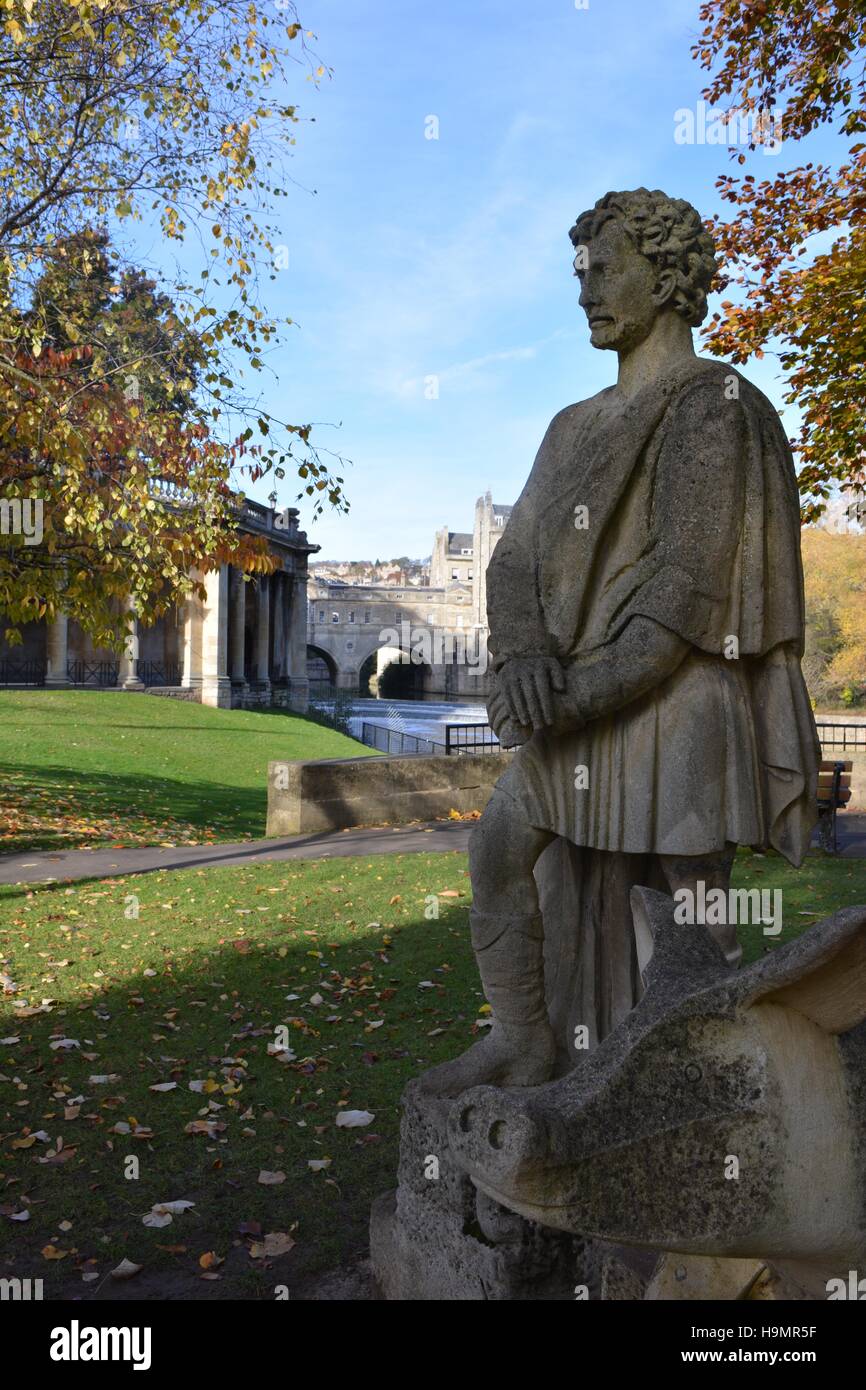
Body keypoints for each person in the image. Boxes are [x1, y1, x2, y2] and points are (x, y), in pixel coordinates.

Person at [420, 188, 819, 1098]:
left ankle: (715, 1091)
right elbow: (512, 560)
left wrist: (575, 690)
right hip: (574, 701)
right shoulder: (573, 424)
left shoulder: (714, 402)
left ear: (668, 275)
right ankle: (525, 1041)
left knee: (692, 898)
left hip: (674, 698)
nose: (587, 290)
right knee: (496, 854)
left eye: (608, 269)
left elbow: (686, 587)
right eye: (582, 273)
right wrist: (523, 659)